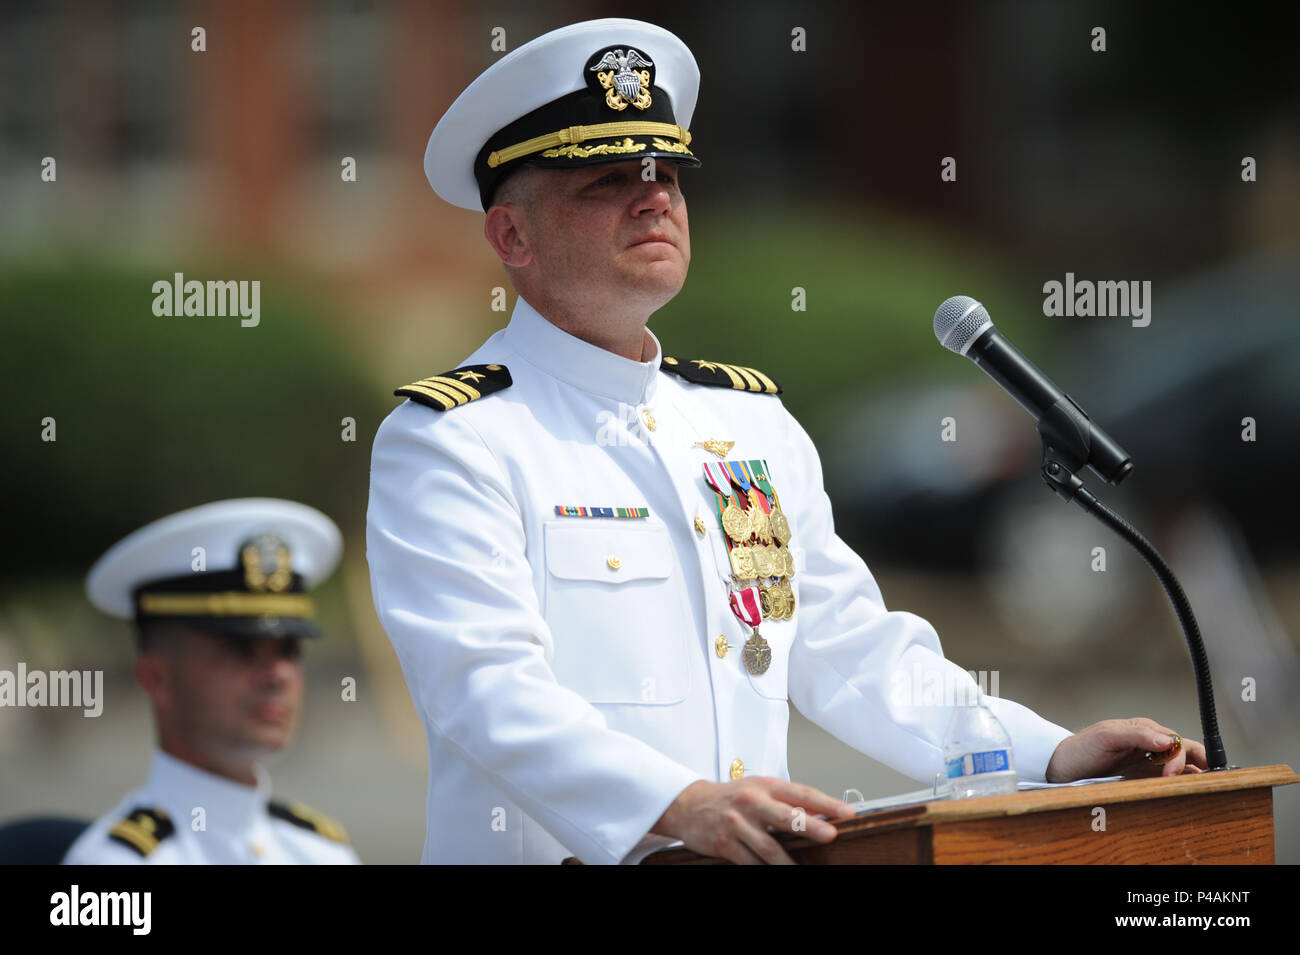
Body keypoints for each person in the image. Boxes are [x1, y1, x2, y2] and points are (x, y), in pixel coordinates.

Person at [365, 17, 1207, 866]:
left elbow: (850, 650)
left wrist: (1050, 757)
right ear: (512, 236)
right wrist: (677, 803)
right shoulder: (453, 442)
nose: (653, 198)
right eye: (606, 181)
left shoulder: (744, 421)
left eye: (666, 175)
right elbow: (483, 692)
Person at [63, 498, 360, 865]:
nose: (278, 674)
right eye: (241, 648)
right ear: (157, 679)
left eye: (288, 649)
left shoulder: (321, 851)